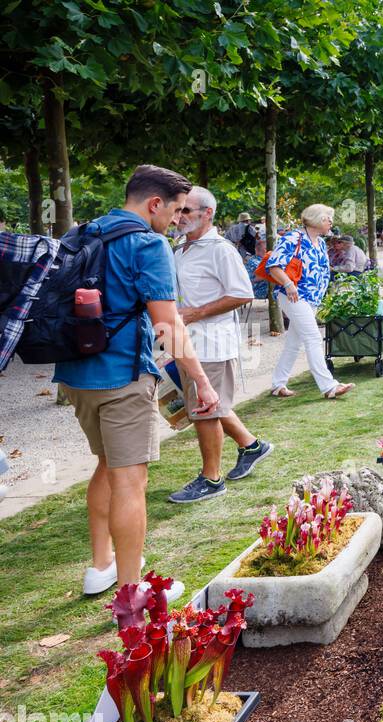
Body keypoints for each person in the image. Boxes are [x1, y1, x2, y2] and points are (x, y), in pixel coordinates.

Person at [54, 164, 218, 596]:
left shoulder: (81, 233)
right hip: (122, 377)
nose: (178, 221)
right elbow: (168, 326)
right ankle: (132, 589)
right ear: (154, 204)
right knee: (130, 479)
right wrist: (200, 380)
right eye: (177, 211)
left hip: (74, 374)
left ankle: (101, 566)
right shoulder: (148, 244)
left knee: (107, 465)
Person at [167, 186, 271, 504]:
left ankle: (212, 479)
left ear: (207, 213)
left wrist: (194, 314)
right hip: (185, 343)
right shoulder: (180, 247)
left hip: (210, 344)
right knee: (205, 403)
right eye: (178, 210)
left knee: (205, 410)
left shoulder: (220, 250)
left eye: (187, 210)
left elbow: (242, 293)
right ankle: (252, 446)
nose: (179, 216)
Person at [266, 203, 354, 399]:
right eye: (327, 218)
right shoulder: (293, 238)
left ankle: (277, 384)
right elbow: (273, 266)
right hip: (294, 295)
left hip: (312, 298)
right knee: (313, 337)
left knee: (293, 343)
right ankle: (329, 386)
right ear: (316, 219)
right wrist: (289, 284)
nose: (331, 221)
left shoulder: (321, 242)